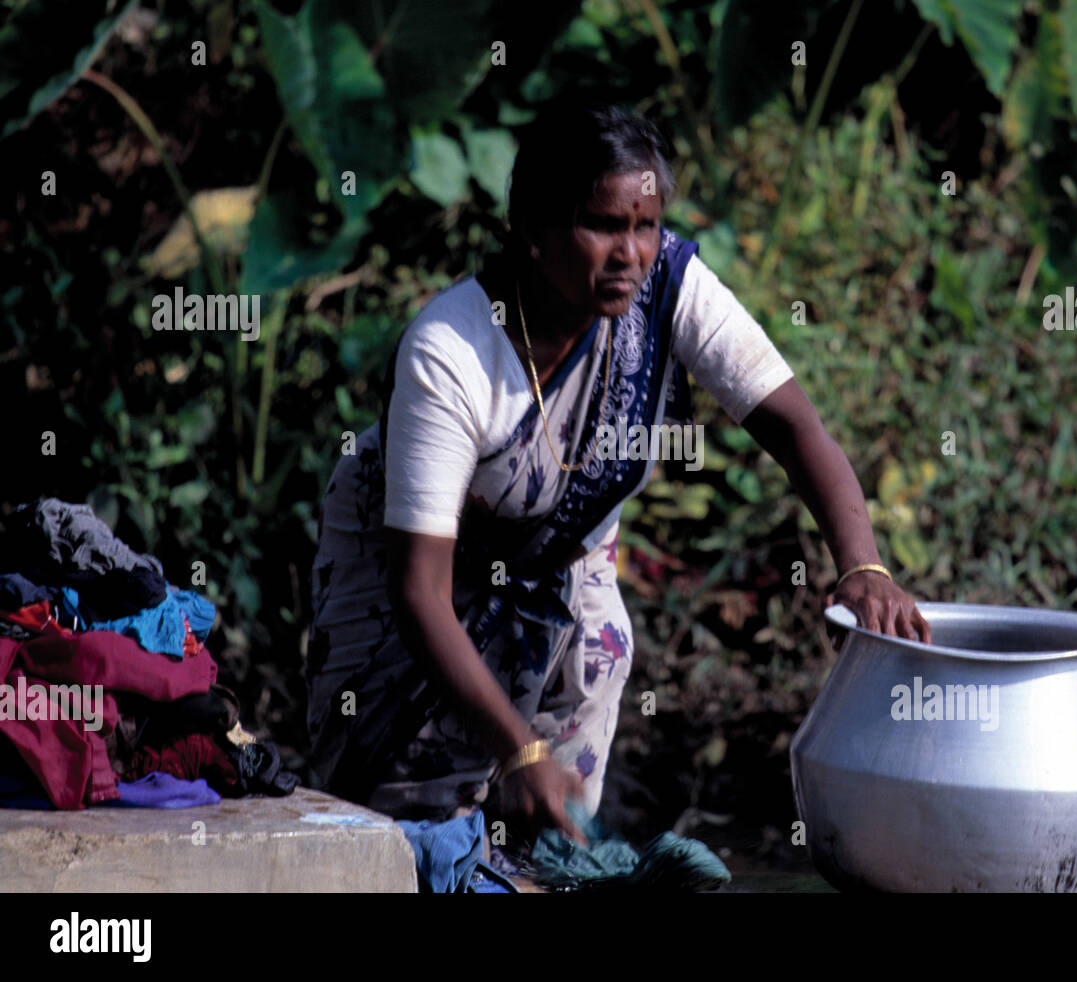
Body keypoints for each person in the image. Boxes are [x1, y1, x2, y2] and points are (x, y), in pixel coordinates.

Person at [305, 100, 931, 848]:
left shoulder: (670, 289)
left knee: (557, 820)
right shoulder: (454, 351)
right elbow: (420, 592)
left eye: (644, 224)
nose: (630, 251)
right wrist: (519, 749)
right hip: (411, 570)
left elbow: (796, 428)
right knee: (398, 818)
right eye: (601, 225)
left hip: (567, 568)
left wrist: (862, 565)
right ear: (533, 232)